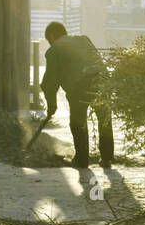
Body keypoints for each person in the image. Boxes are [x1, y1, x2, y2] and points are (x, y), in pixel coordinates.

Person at [40, 22, 114, 168]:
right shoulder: (83, 39)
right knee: (104, 118)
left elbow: (50, 81)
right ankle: (106, 158)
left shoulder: (54, 49)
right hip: (102, 81)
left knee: (78, 122)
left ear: (52, 36)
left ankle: (81, 160)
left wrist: (51, 105)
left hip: (80, 85)